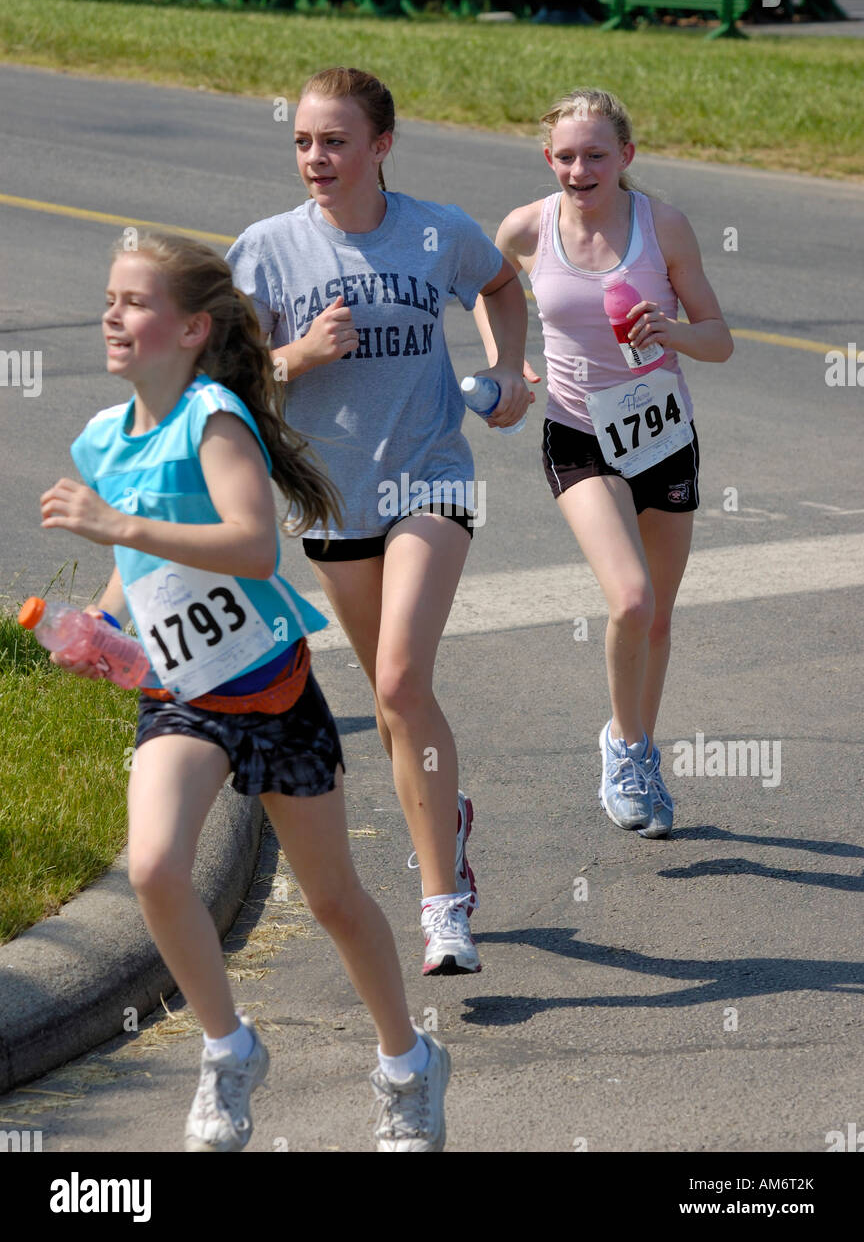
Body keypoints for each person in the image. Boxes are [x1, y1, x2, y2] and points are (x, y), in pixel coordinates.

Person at [39, 231, 451, 1152]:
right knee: (152, 866)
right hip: (181, 695)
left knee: (336, 898)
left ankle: (407, 1063)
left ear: (190, 328)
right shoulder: (103, 438)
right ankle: (228, 1049)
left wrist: (117, 519)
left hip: (269, 688)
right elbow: (134, 567)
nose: (113, 315)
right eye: (109, 297)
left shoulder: (214, 416)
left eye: (134, 301)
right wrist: (103, 629)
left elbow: (254, 546)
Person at [226, 66, 530, 976]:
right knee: (396, 706)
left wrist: (508, 369)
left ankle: (444, 905)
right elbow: (224, 384)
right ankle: (449, 814)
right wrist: (297, 353)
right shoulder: (265, 250)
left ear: (381, 146)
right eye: (304, 142)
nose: (316, 158)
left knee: (400, 681)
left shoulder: (436, 230)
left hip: (430, 479)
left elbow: (501, 283)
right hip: (330, 496)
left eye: (336, 141)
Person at [473, 88, 733, 838]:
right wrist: (508, 364)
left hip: (661, 434)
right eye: (564, 156)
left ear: (625, 156)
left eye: (595, 155)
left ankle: (641, 749)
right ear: (546, 159)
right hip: (579, 434)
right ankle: (622, 749)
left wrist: (671, 332)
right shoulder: (526, 228)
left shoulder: (664, 228)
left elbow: (719, 338)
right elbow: (495, 295)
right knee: (629, 599)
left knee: (656, 618)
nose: (579, 169)